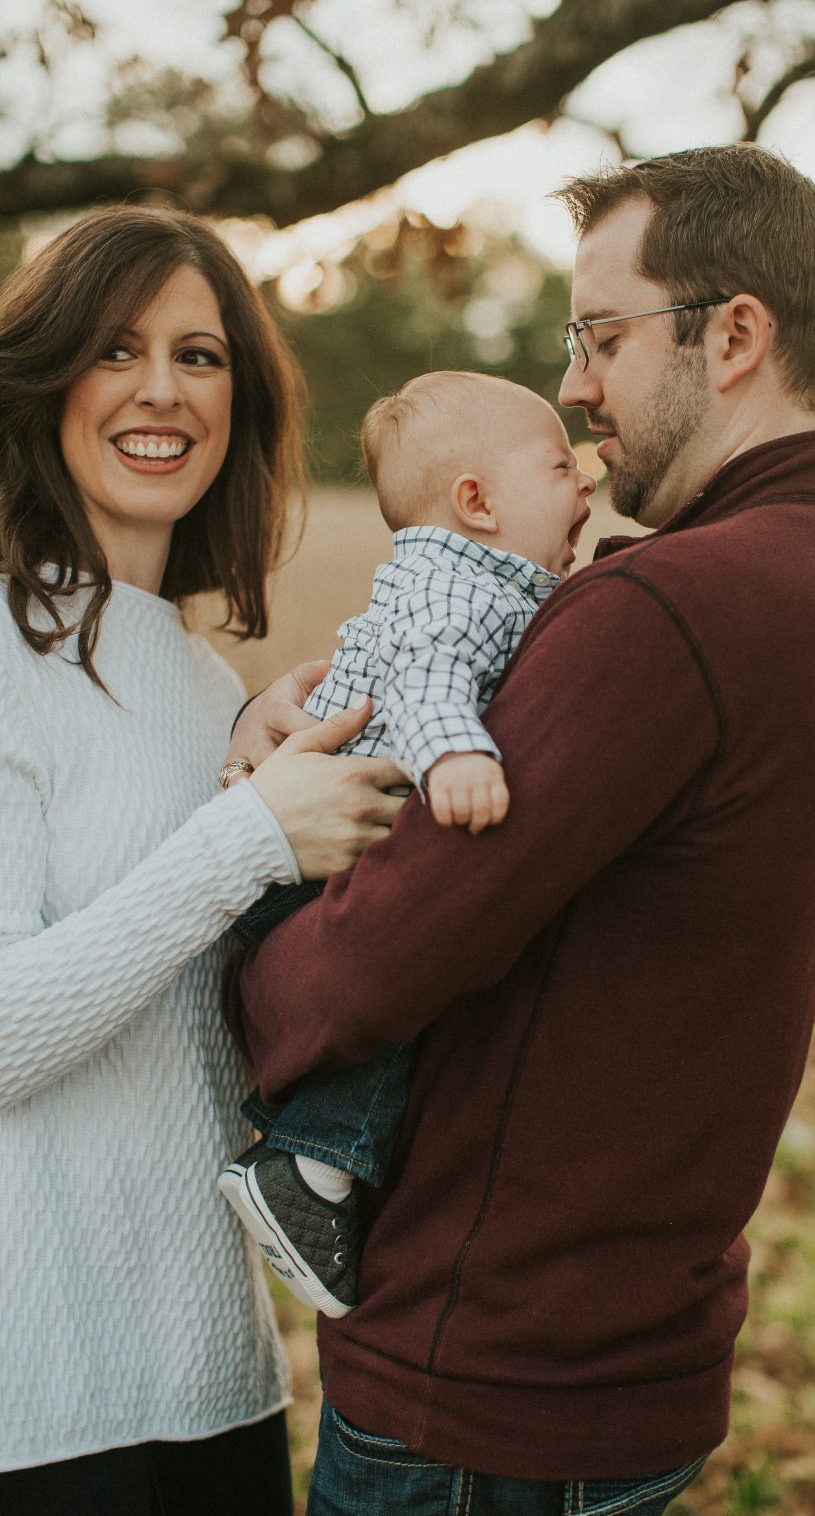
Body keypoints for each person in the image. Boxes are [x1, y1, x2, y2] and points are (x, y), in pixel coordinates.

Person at [225, 144, 815, 1515]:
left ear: (739, 335)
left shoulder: (668, 610)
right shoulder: (811, 565)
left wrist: (234, 962)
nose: (574, 384)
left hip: (492, 1396)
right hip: (617, 1360)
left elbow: (383, 952)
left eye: (601, 335)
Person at [0, 205, 405, 1516]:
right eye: (116, 351)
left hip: (224, 1389)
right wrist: (246, 839)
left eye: (202, 353)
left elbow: (204, 1042)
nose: (163, 389)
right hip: (41, 1418)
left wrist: (276, 815)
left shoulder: (202, 682)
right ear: (45, 376)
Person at [218, 370, 595, 1319]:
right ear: (478, 502)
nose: (585, 480)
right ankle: (308, 1172)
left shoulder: (488, 573)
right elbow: (429, 676)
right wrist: (457, 756)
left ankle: (314, 1163)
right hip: (321, 855)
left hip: (325, 848)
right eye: (559, 466)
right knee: (404, 991)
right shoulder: (451, 586)